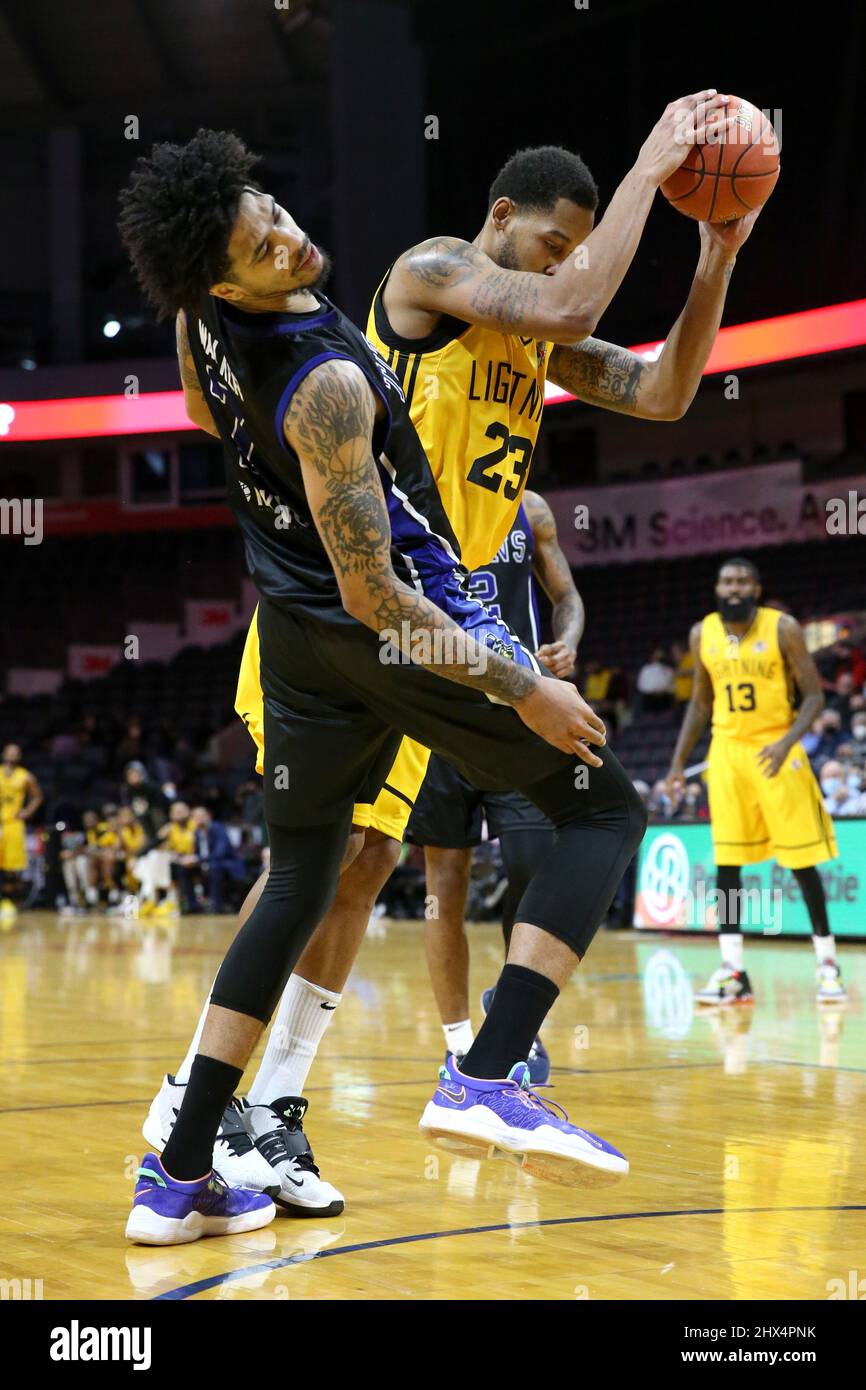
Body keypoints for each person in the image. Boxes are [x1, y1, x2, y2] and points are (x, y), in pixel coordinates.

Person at [118, 100, 750, 1241]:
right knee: (335, 855)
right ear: (499, 221)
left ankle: (256, 1110)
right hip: (385, 616)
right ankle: (214, 1099)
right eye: (553, 243)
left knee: (349, 861)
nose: (568, 268)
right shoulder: (435, 272)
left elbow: (662, 392)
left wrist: (713, 254)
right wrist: (653, 166)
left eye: (576, 248)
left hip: (429, 622)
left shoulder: (533, 345)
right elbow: (562, 297)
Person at [408, 492, 583, 1083]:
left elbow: (567, 598)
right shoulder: (417, 497)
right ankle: (459, 1042)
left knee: (534, 867)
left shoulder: (530, 510)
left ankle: (511, 1020)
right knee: (445, 884)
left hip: (518, 710)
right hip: (439, 717)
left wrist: (569, 642)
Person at [666, 558, 847, 1007]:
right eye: (727, 581)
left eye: (742, 581)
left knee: (802, 861)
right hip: (727, 756)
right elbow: (699, 707)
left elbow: (814, 696)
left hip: (776, 750)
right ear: (717, 588)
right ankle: (733, 971)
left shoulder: (783, 628)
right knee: (727, 866)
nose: (734, 588)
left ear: (757, 588)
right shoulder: (701, 632)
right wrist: (676, 764)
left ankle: (826, 963)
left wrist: (787, 743)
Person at [0, 743, 43, 924]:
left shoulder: (25, 776)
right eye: (10, 751)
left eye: (16, 752)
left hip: (14, 823)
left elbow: (38, 796)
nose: (12, 754)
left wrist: (27, 811)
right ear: (3, 753)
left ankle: (9, 901)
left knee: (12, 867)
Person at [192, 806, 247, 913]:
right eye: (195, 816)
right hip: (207, 863)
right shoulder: (197, 833)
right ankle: (192, 905)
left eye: (201, 816)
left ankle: (216, 906)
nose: (198, 819)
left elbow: (220, 853)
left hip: (227, 863)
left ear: (208, 816)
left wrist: (198, 859)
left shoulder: (217, 827)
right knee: (184, 869)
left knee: (214, 867)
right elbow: (197, 852)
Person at [636, 648, 675, 712]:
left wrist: (662, 691)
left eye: (660, 656)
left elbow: (673, 685)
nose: (658, 658)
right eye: (656, 656)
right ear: (652, 657)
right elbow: (640, 685)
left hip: (665, 698)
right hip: (649, 698)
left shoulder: (669, 670)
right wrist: (653, 691)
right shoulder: (646, 669)